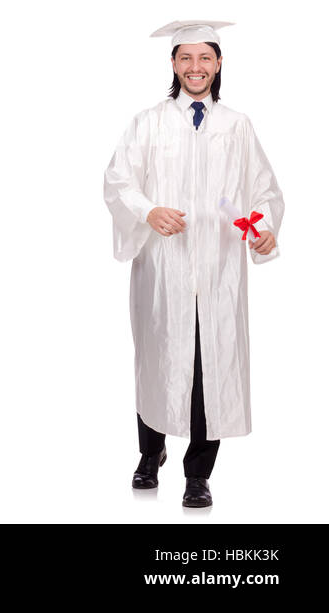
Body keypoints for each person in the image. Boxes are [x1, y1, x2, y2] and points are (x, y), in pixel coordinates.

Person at [104, 21, 283, 508]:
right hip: (163, 268)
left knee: (210, 367)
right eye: (186, 58)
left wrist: (262, 229)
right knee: (158, 360)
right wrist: (149, 211)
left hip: (219, 268)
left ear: (219, 64)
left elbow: (260, 192)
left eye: (205, 58)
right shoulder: (149, 122)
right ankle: (150, 453)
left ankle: (197, 474)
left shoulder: (236, 126)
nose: (195, 67)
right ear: (173, 63)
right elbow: (119, 181)